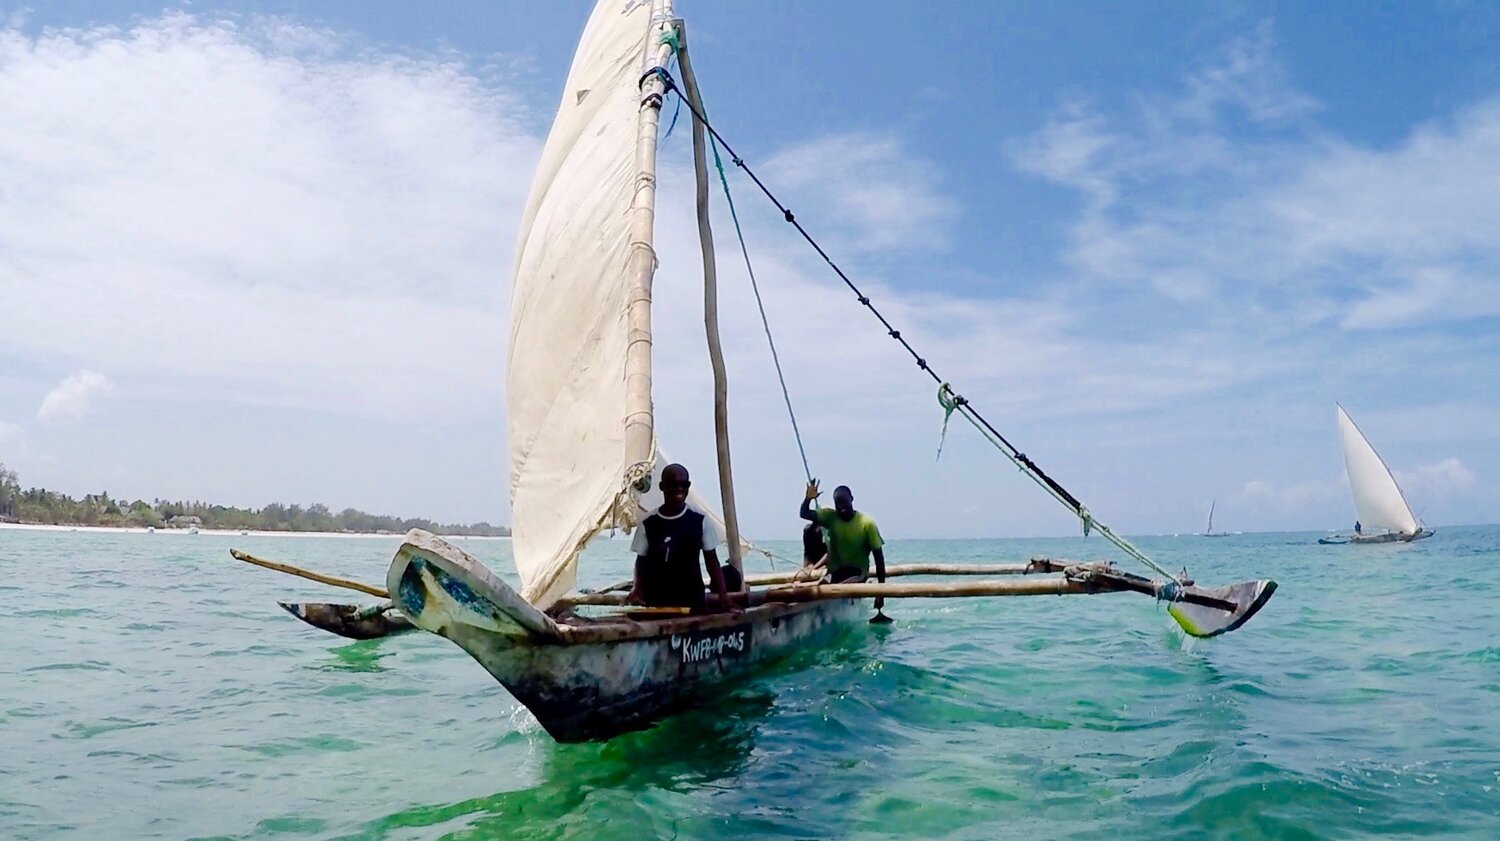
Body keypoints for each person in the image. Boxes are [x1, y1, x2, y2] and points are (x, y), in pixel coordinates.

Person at [627, 464, 735, 611]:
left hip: (692, 600)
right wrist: (637, 588)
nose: (679, 489)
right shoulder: (648, 522)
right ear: (662, 486)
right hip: (656, 601)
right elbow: (641, 561)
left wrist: (723, 596)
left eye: (684, 485)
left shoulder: (700, 519)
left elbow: (711, 561)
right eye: (673, 484)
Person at [799, 480, 887, 612]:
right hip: (834, 573)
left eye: (845, 503)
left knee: (834, 589)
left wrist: (880, 593)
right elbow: (804, 513)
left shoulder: (867, 524)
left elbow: (879, 559)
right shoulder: (831, 517)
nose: (842, 508)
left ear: (852, 499)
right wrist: (808, 499)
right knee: (816, 590)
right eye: (838, 505)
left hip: (857, 573)